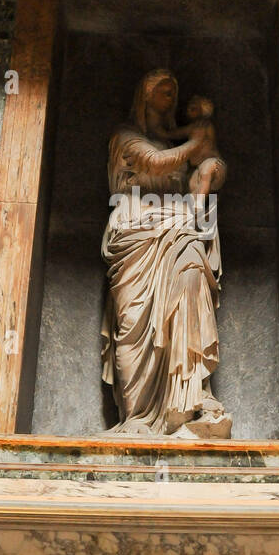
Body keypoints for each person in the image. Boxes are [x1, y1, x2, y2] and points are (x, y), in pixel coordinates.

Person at [101, 68, 232, 439]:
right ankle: (137, 416)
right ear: (144, 95)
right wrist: (200, 141)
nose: (170, 97)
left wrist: (212, 165)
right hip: (136, 228)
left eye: (174, 91)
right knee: (133, 322)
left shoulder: (180, 142)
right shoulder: (125, 136)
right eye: (163, 90)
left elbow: (209, 174)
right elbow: (155, 163)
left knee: (192, 283)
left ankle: (189, 399)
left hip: (181, 225)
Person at [163, 94, 227, 199]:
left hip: (213, 163)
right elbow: (175, 134)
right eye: (189, 108)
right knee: (192, 186)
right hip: (198, 168)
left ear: (203, 110)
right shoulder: (192, 127)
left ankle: (199, 203)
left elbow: (195, 143)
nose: (189, 110)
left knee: (206, 171)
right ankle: (195, 207)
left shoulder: (205, 125)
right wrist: (161, 132)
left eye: (193, 108)